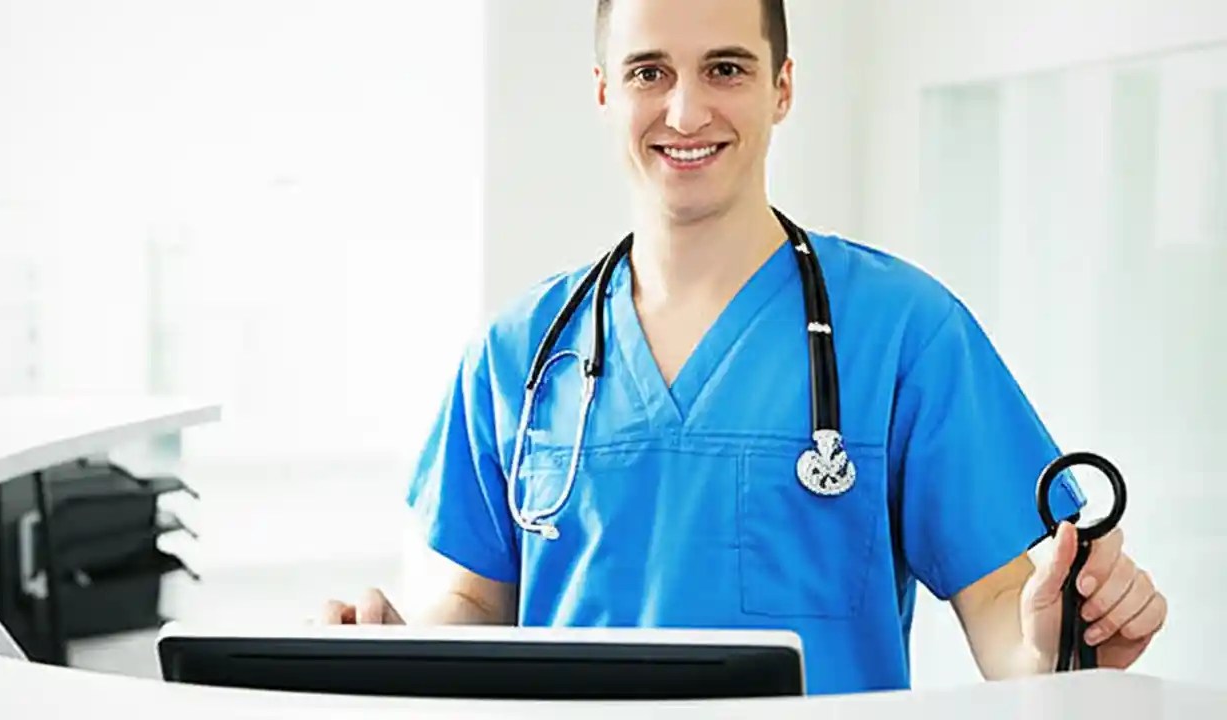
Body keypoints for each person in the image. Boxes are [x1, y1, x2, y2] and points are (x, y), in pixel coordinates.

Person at [321, 0, 1167, 695]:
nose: (686, 112)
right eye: (649, 71)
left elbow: (1002, 612)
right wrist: (397, 647)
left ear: (783, 87)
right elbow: (470, 601)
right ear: (604, 92)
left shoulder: (905, 331)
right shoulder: (517, 355)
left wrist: (1059, 653)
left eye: (725, 68)